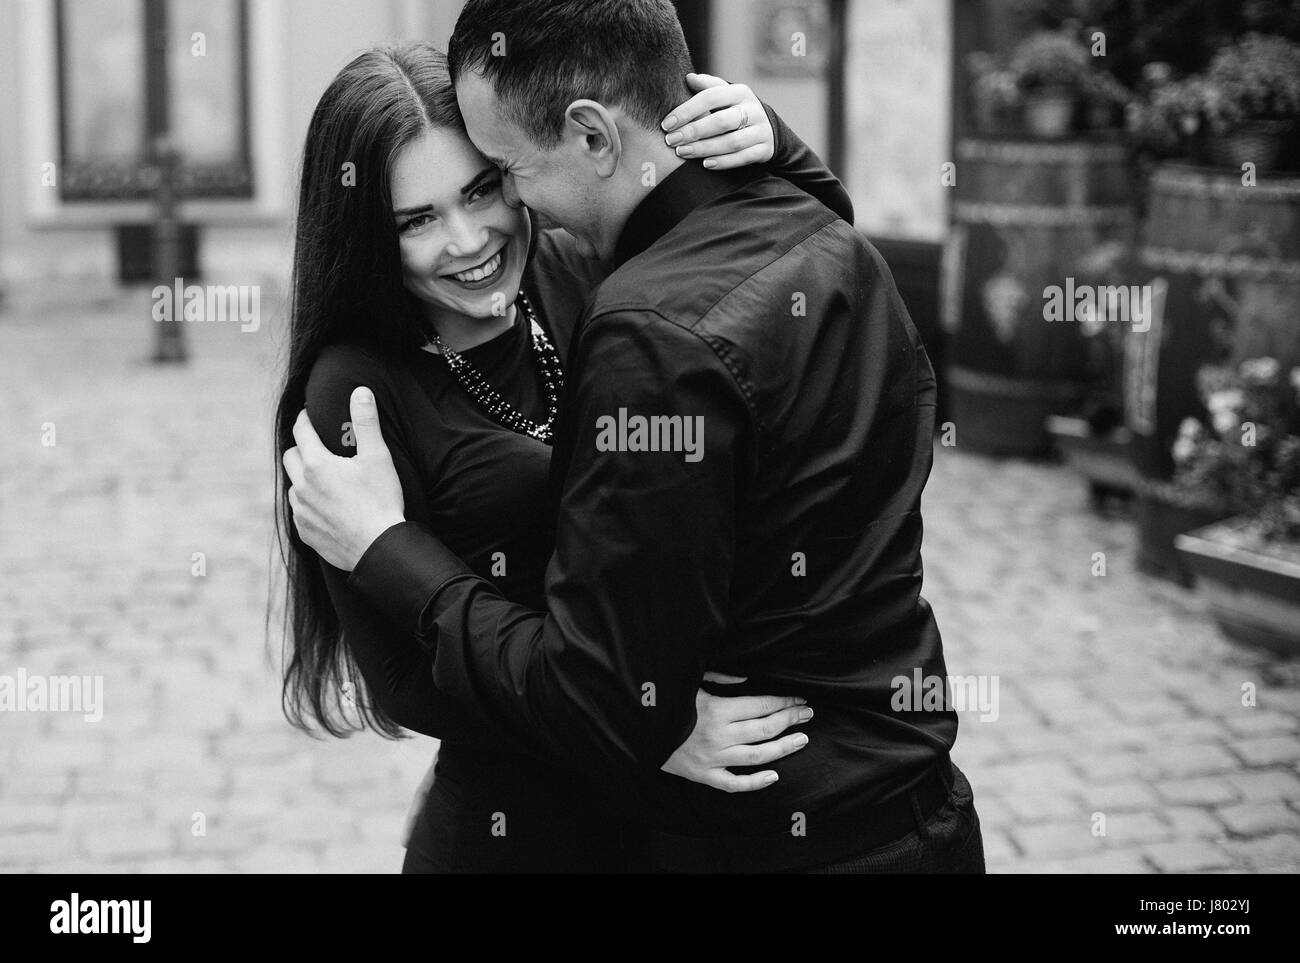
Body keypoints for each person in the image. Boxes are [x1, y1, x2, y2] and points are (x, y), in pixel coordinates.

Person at [285, 0, 984, 874]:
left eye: (486, 185)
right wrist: (648, 721)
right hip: (522, 826)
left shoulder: (584, 272)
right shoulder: (351, 388)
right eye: (415, 221)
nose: (469, 238)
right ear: (365, 234)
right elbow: (398, 678)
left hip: (669, 820)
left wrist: (770, 139)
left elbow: (780, 273)